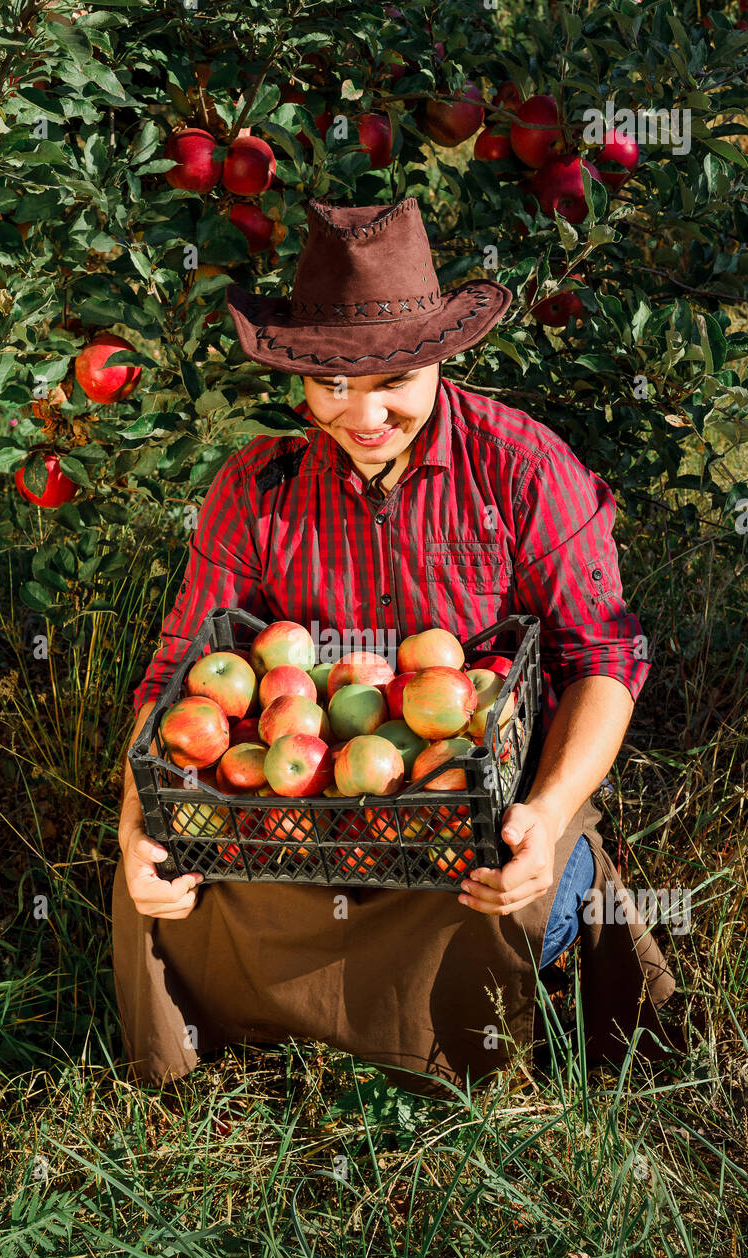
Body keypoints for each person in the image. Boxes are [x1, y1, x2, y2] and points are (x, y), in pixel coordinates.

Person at [113, 197, 680, 1096]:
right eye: (332, 383)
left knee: (514, 877)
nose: (362, 413)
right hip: (306, 800)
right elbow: (176, 667)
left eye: (393, 381)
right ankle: (259, 1054)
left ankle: (453, 1047)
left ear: (442, 359)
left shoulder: (524, 470)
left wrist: (547, 806)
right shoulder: (256, 487)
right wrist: (138, 825)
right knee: (176, 861)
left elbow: (601, 660)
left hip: (470, 790)